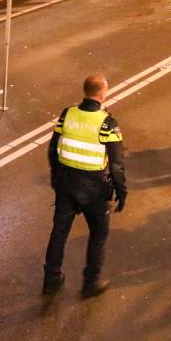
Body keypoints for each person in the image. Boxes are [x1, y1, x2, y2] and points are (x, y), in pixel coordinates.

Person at [43, 74, 127, 298]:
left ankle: (51, 280)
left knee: (59, 233)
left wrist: (55, 177)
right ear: (102, 94)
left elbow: (52, 150)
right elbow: (117, 164)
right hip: (94, 189)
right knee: (99, 234)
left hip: (66, 183)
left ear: (85, 92)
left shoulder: (67, 114)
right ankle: (91, 282)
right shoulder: (108, 123)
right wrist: (122, 192)